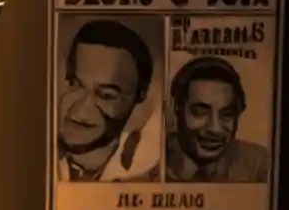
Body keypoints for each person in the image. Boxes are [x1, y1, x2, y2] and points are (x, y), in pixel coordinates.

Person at [56, 20, 160, 182]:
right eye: (74, 85)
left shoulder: (148, 168)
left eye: (106, 95)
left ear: (139, 96)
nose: (81, 109)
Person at [156, 56, 270, 183]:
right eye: (200, 113)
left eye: (227, 115)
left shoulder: (258, 164)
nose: (215, 128)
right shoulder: (151, 160)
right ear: (177, 107)